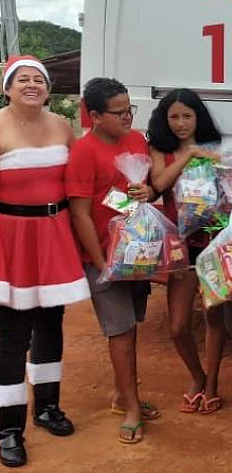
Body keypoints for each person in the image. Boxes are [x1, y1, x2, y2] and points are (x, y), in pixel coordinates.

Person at [0, 55, 90, 467]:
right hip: (9, 239)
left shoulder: (60, 126)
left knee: (50, 324)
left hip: (54, 234)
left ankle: (48, 408)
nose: (32, 85)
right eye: (23, 80)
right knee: (12, 334)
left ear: (49, 89)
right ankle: (7, 428)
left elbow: (81, 181)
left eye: (39, 79)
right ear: (7, 87)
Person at [65, 78, 160, 445]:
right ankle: (131, 407)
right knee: (119, 330)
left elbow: (141, 192)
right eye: (119, 112)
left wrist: (147, 191)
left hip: (138, 254)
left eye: (129, 110)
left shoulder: (136, 141)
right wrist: (102, 261)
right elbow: (81, 214)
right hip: (104, 258)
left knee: (132, 325)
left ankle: (123, 394)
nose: (127, 117)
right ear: (94, 116)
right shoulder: (83, 153)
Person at [148, 89, 226, 414]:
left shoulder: (216, 150)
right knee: (178, 326)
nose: (180, 123)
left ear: (199, 117)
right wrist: (188, 156)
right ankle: (197, 374)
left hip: (211, 242)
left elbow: (229, 191)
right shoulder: (160, 150)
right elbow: (159, 184)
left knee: (214, 317)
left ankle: (212, 383)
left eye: (187, 116)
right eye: (174, 117)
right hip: (178, 248)